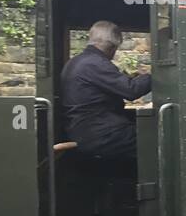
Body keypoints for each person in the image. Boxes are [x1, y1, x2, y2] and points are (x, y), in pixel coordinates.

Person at [60, 21, 151, 160]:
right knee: (156, 141)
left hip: (86, 129)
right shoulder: (95, 63)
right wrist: (155, 76)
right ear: (112, 47)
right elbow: (131, 90)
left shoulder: (77, 61)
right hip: (101, 133)